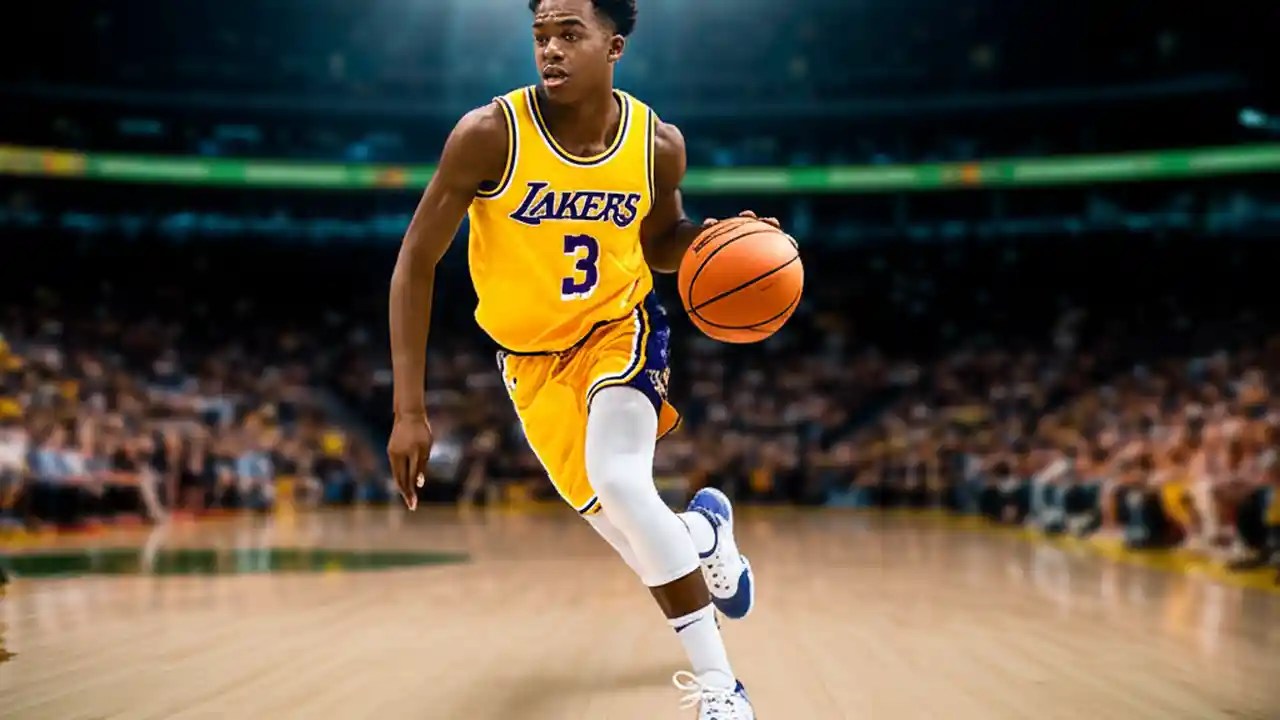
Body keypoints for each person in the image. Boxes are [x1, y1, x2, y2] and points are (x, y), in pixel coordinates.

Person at [386, 1, 776, 716]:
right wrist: (408, 409)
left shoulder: (656, 144)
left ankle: (722, 687)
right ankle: (704, 531)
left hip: (618, 328)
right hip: (529, 360)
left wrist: (714, 243)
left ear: (614, 45)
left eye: (570, 34)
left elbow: (663, 239)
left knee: (621, 480)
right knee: (632, 533)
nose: (551, 50)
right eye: (541, 36)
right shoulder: (489, 135)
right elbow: (416, 260)